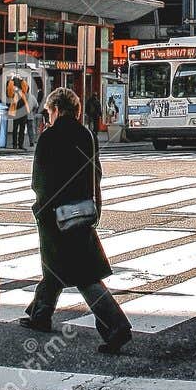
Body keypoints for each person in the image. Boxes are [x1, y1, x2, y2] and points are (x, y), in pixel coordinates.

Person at [21, 87, 132, 355]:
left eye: (49, 111)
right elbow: (96, 173)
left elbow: (40, 181)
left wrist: (41, 207)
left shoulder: (49, 138)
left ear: (56, 109)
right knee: (57, 267)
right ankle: (40, 313)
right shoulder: (85, 135)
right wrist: (95, 203)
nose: (48, 116)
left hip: (55, 213)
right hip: (81, 208)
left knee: (81, 273)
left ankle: (116, 326)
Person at [11, 77, 32, 150]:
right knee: (18, 129)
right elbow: (10, 89)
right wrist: (12, 80)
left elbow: (26, 87)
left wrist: (22, 80)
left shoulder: (22, 92)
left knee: (19, 129)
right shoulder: (15, 92)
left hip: (21, 112)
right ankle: (17, 144)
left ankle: (18, 144)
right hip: (19, 112)